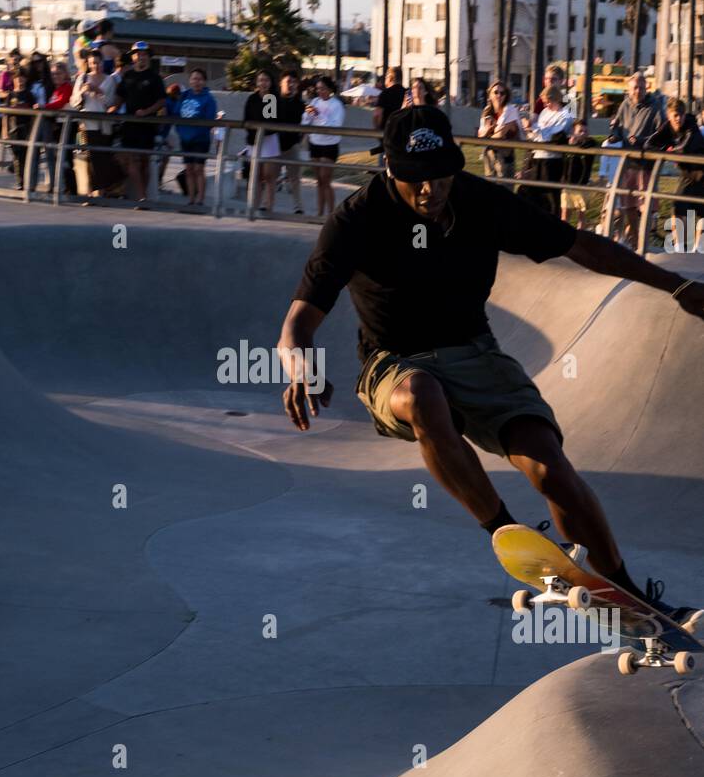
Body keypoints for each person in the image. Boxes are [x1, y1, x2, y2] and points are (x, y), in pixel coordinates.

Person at [277, 102, 704, 622]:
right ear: (389, 168)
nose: (431, 191)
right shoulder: (356, 220)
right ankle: (508, 534)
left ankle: (626, 595)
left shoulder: (482, 202)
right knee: (421, 395)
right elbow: (298, 322)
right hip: (392, 362)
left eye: (441, 177)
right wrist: (301, 366)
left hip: (475, 351)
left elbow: (582, 247)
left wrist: (676, 285)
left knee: (551, 469)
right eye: (416, 180)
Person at [607, 72, 664, 246]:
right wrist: (614, 136)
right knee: (628, 206)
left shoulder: (654, 106)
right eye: (634, 88)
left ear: (646, 88)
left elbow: (662, 133)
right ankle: (636, 242)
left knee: (645, 207)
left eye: (641, 87)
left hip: (646, 163)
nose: (637, 91)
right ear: (629, 89)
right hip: (628, 162)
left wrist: (642, 141)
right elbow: (617, 126)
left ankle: (642, 243)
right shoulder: (624, 104)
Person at [645, 98, 704, 253]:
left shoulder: (692, 126)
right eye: (675, 115)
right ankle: (679, 248)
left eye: (681, 115)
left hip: (702, 173)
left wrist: (669, 150)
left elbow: (685, 147)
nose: (679, 119)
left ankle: (698, 249)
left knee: (699, 212)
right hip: (688, 175)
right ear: (669, 115)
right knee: (678, 208)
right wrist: (666, 148)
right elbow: (649, 144)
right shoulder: (667, 127)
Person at [114, 41, 167, 208]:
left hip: (148, 125)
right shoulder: (128, 76)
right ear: (133, 57)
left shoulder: (155, 78)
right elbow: (120, 96)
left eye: (144, 54)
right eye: (137, 54)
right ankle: (141, 197)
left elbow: (161, 101)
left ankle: (144, 194)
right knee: (132, 160)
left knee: (145, 161)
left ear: (148, 57)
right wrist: (113, 108)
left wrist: (147, 111)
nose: (140, 57)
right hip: (129, 125)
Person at [72, 49, 118, 199]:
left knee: (103, 157)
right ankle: (91, 189)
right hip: (86, 125)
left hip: (104, 125)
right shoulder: (82, 78)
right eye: (92, 63)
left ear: (103, 63)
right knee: (88, 156)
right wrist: (82, 92)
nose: (95, 66)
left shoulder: (110, 80)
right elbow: (74, 102)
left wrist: (98, 90)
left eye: (97, 63)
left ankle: (102, 189)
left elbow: (110, 103)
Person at [521, 85, 573, 215]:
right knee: (535, 195)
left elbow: (556, 135)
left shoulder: (565, 115)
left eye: (548, 102)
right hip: (537, 157)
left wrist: (537, 130)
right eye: (544, 102)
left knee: (551, 197)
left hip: (552, 159)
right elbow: (538, 132)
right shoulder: (544, 112)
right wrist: (529, 129)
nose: (546, 105)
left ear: (556, 99)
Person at [303, 76, 346, 218]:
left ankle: (331, 214)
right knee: (319, 181)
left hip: (330, 145)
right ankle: (319, 212)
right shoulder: (314, 101)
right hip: (315, 143)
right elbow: (306, 120)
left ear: (330, 89)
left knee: (326, 179)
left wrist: (319, 115)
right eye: (318, 89)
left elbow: (335, 125)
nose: (320, 91)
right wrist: (308, 114)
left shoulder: (337, 105)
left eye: (323, 88)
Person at [176, 68, 218, 209]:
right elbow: (176, 113)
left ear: (204, 81)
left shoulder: (209, 99)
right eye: (194, 78)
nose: (197, 82)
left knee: (198, 168)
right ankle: (191, 198)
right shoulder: (184, 96)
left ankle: (200, 198)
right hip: (185, 138)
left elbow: (210, 120)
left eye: (200, 79)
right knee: (188, 169)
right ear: (190, 80)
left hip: (201, 139)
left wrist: (197, 131)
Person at [244, 67, 282, 215]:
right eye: (261, 80)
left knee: (268, 175)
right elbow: (247, 119)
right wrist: (253, 131)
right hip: (254, 140)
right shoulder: (252, 98)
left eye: (266, 80)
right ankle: (254, 204)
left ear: (271, 82)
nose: (263, 83)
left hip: (269, 140)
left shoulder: (271, 98)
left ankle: (268, 204)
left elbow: (270, 120)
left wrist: (260, 129)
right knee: (256, 175)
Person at [39, 60, 75, 194]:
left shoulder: (67, 87)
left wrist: (44, 107)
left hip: (66, 126)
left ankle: (71, 189)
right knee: (60, 158)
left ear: (65, 74)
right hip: (59, 126)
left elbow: (60, 103)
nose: (56, 77)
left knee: (66, 159)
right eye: (53, 74)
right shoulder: (57, 89)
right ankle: (64, 187)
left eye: (59, 74)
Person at [478, 80, 523, 180]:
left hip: (505, 157)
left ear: (506, 96)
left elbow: (500, 135)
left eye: (502, 93)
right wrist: (488, 131)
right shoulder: (487, 111)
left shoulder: (511, 110)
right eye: (496, 92)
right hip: (490, 156)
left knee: (504, 190)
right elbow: (480, 136)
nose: (499, 95)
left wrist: (488, 134)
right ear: (490, 94)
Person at [277, 71, 306, 215]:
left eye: (294, 82)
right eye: (288, 81)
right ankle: (264, 205)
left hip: (292, 145)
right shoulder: (271, 100)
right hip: (274, 145)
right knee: (268, 178)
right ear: (281, 83)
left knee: (295, 179)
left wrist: (299, 141)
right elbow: (265, 120)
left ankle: (298, 207)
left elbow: (305, 124)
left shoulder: (300, 104)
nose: (291, 84)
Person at [560, 120, 597, 228]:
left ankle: (580, 237)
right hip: (568, 185)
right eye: (580, 131)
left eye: (585, 131)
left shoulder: (590, 143)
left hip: (582, 185)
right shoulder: (567, 143)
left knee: (582, 216)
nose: (583, 133)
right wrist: (571, 145)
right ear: (573, 132)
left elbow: (592, 142)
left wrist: (581, 144)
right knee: (565, 215)